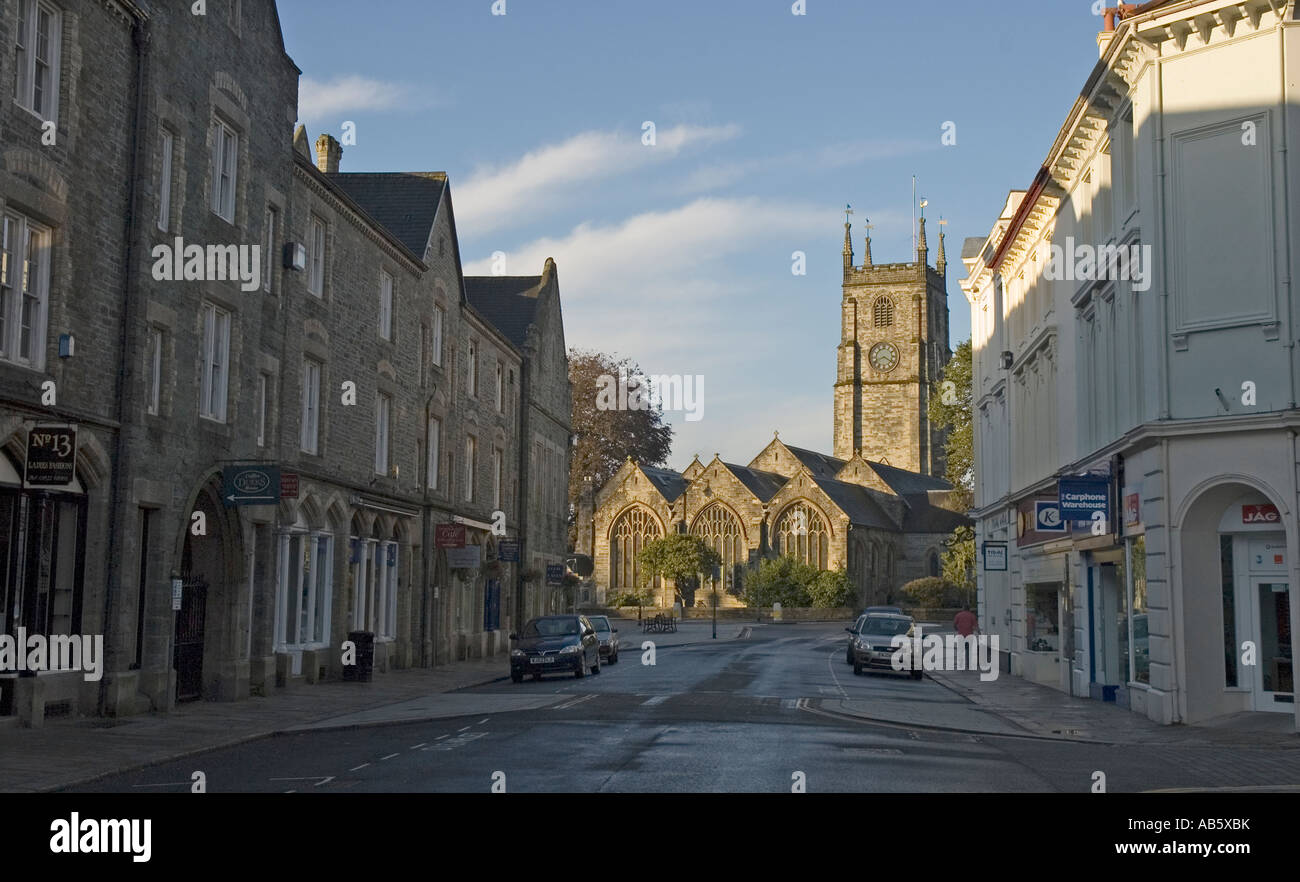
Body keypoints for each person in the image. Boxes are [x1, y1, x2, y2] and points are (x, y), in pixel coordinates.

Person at [954, 605, 978, 669]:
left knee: (961, 650)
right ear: (969, 609)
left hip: (961, 635)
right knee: (969, 650)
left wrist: (957, 629)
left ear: (963, 608)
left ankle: (961, 663)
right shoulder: (972, 615)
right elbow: (975, 626)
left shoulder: (958, 615)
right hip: (969, 635)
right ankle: (968, 664)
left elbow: (954, 624)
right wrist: (980, 634)